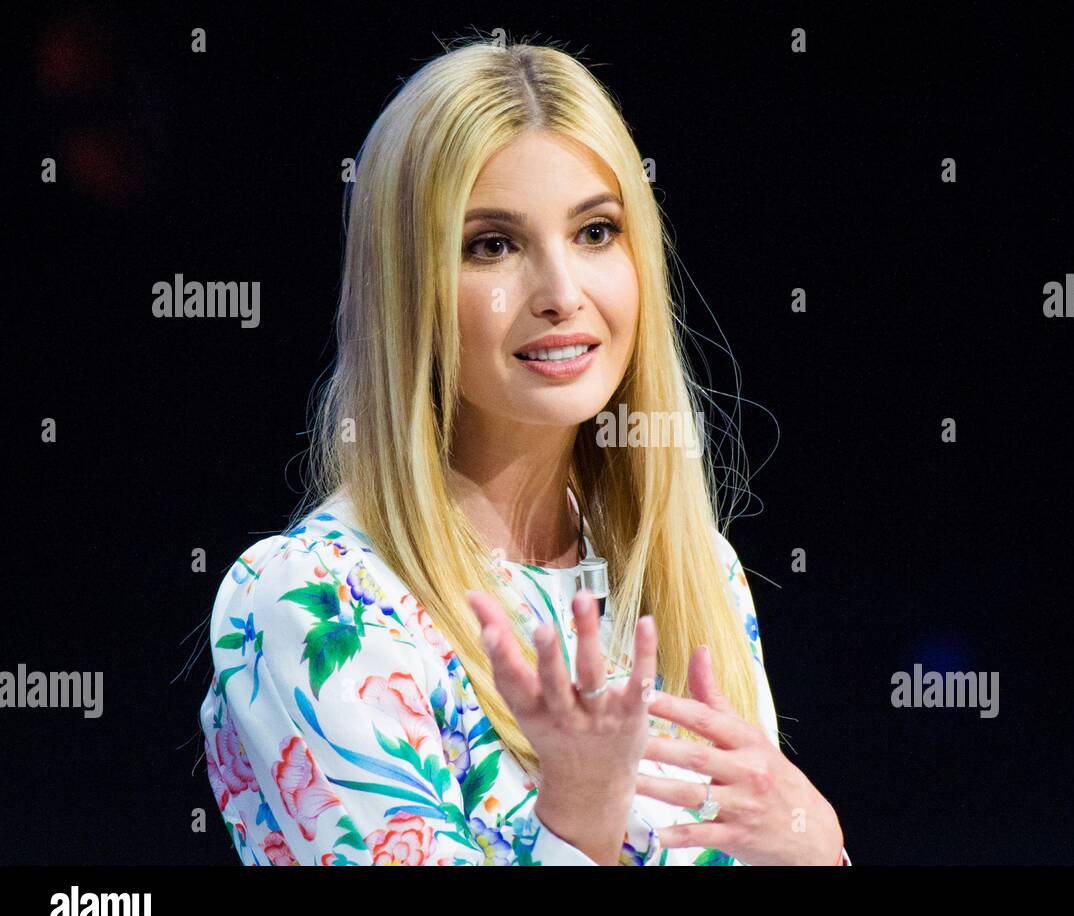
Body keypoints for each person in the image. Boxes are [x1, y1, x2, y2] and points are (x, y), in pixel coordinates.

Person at [196, 38, 849, 866]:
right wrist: (577, 820)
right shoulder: (317, 599)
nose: (561, 293)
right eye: (492, 245)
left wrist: (820, 850)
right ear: (410, 286)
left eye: (596, 231)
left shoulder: (690, 574)